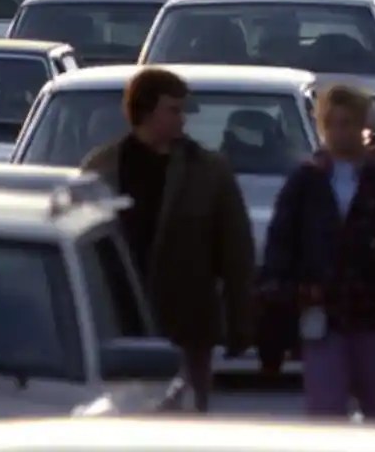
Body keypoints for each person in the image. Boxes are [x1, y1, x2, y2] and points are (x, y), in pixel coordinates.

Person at [82, 67, 256, 413]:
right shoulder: (101, 170)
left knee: (187, 422)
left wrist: (240, 325)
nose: (182, 120)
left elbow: (236, 252)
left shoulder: (207, 171)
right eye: (173, 110)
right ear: (146, 111)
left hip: (187, 324)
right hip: (120, 325)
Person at [261, 84, 375, 420]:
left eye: (349, 123)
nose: (341, 133)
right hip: (324, 316)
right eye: (334, 124)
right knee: (325, 416)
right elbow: (281, 243)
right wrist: (281, 294)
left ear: (363, 127)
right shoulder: (304, 183)